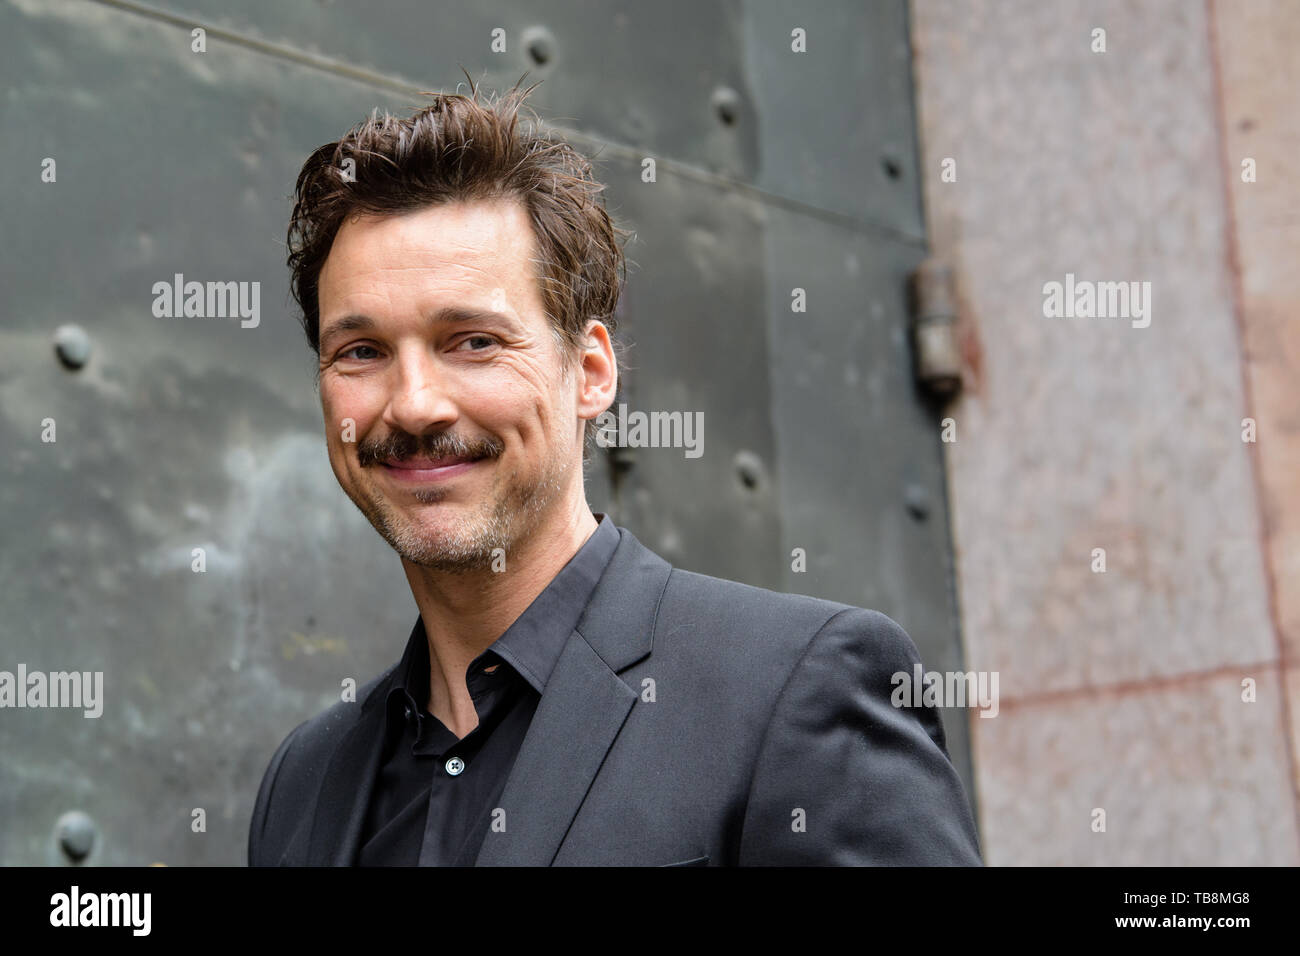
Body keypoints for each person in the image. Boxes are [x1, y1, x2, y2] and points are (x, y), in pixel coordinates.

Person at [247, 80, 982, 866]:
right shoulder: (303, 779)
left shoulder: (797, 691)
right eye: (362, 352)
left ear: (591, 372)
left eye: (474, 341)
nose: (415, 405)